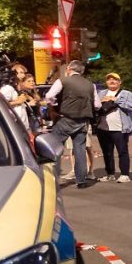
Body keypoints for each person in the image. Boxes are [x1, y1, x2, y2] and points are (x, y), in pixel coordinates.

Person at [45, 60, 100, 188]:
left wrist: (54, 105)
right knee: (79, 149)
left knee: (54, 148)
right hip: (82, 121)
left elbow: (49, 96)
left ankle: (52, 179)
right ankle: (81, 181)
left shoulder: (62, 80)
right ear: (82, 71)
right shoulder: (91, 85)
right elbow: (97, 105)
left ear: (69, 69)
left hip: (65, 119)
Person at [95, 72, 132, 183]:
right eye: (109, 79)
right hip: (103, 128)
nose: (111, 81)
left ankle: (125, 174)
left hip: (120, 128)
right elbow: (94, 106)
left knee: (122, 151)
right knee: (107, 152)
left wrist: (117, 100)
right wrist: (100, 101)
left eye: (114, 79)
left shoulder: (126, 94)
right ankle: (110, 174)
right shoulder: (101, 93)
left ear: (120, 82)